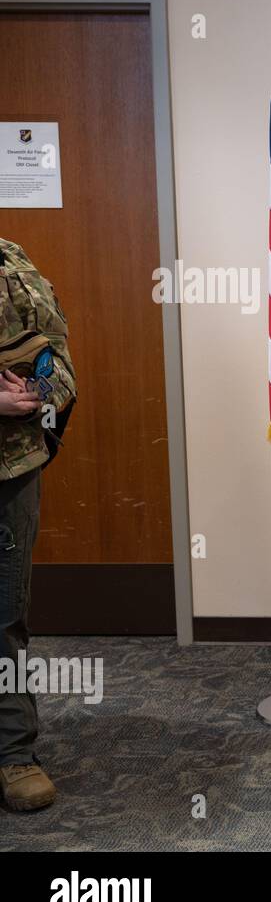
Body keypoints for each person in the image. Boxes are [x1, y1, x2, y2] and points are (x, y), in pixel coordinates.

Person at [0, 238, 76, 812]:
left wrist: (41, 392)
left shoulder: (12, 260)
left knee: (6, 615)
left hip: (12, 464)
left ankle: (13, 753)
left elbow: (57, 350)